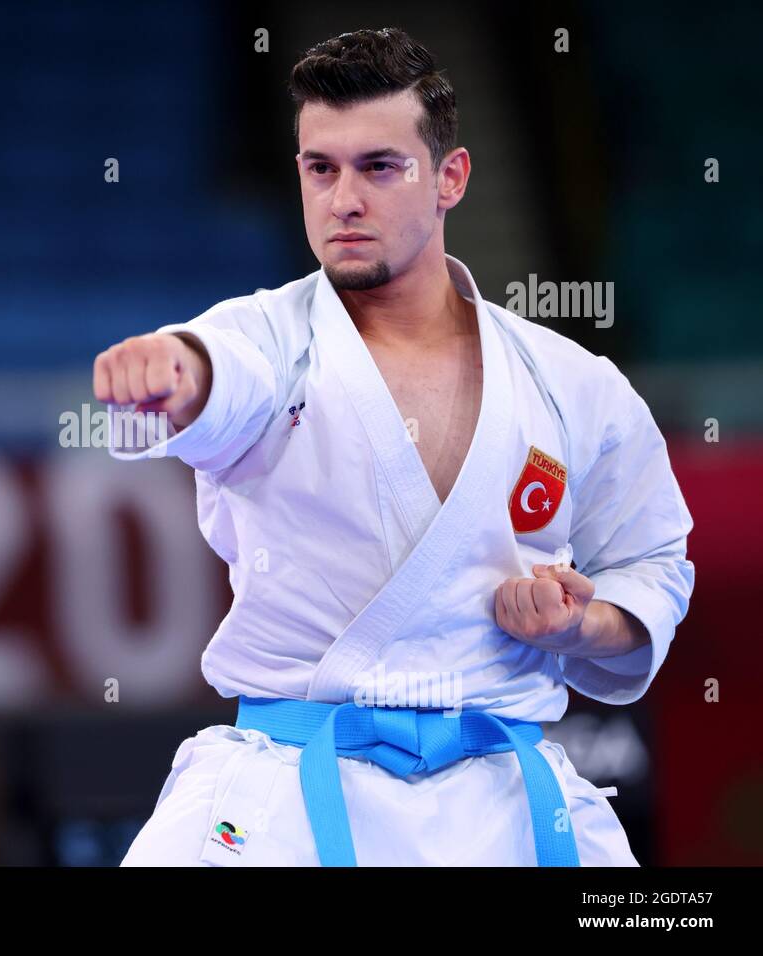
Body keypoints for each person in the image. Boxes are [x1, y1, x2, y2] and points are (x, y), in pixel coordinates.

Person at [91, 27, 694, 866]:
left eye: (379, 167)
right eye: (320, 168)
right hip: (287, 791)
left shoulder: (572, 382)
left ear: (450, 178)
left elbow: (656, 561)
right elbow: (217, 373)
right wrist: (173, 368)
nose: (343, 199)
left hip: (505, 796)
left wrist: (580, 626)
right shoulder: (265, 339)